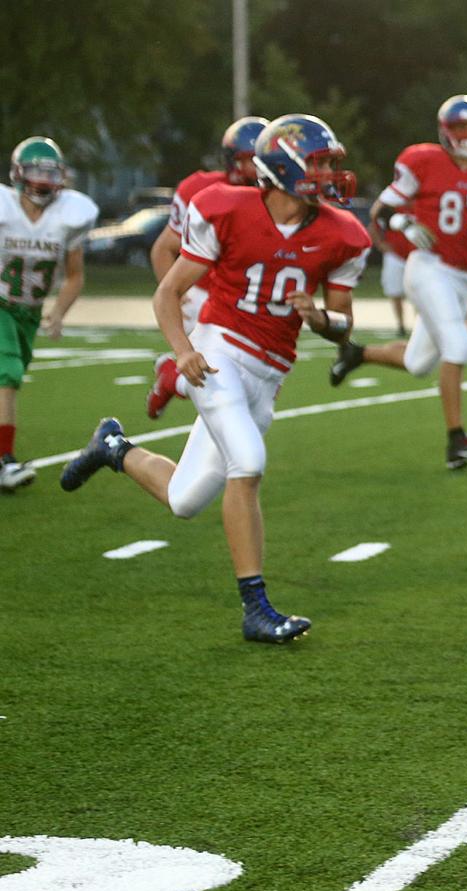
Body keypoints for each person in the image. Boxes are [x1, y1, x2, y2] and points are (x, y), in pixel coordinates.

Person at [59, 114, 370, 644]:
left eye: (328, 165)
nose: (327, 176)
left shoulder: (343, 234)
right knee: (247, 463)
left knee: (185, 500)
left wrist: (318, 318)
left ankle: (112, 447)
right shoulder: (225, 208)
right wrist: (182, 352)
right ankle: (256, 609)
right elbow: (167, 293)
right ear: (283, 166)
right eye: (318, 164)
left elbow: (343, 327)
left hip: (270, 373)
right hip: (219, 351)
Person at [328, 94, 467, 470]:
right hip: (428, 266)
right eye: (461, 127)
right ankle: (457, 442)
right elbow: (382, 210)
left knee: (419, 363)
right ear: (446, 131)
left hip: (463, 276)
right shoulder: (422, 160)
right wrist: (403, 223)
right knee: (457, 343)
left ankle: (357, 353)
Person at [146, 116, 269, 419]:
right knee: (218, 382)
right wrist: (176, 295)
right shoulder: (203, 191)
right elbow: (164, 248)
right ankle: (173, 377)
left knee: (255, 385)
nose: (259, 168)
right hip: (206, 295)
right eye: (250, 160)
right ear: (232, 161)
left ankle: (170, 377)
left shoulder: (277, 198)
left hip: (248, 298)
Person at [0, 137, 98, 492]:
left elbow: (75, 275)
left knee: (9, 377)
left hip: (28, 311)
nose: (42, 180)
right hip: (0, 304)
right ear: (18, 174)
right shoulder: (3, 209)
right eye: (36, 171)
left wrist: (58, 312)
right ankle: (4, 460)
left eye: (49, 172)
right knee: (7, 373)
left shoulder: (68, 216)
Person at [378, 219, 414, 338]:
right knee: (395, 292)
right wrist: (380, 243)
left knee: (421, 292)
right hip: (395, 254)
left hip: (416, 254)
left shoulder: (420, 205)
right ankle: (401, 325)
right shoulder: (389, 207)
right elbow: (373, 224)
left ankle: (420, 325)